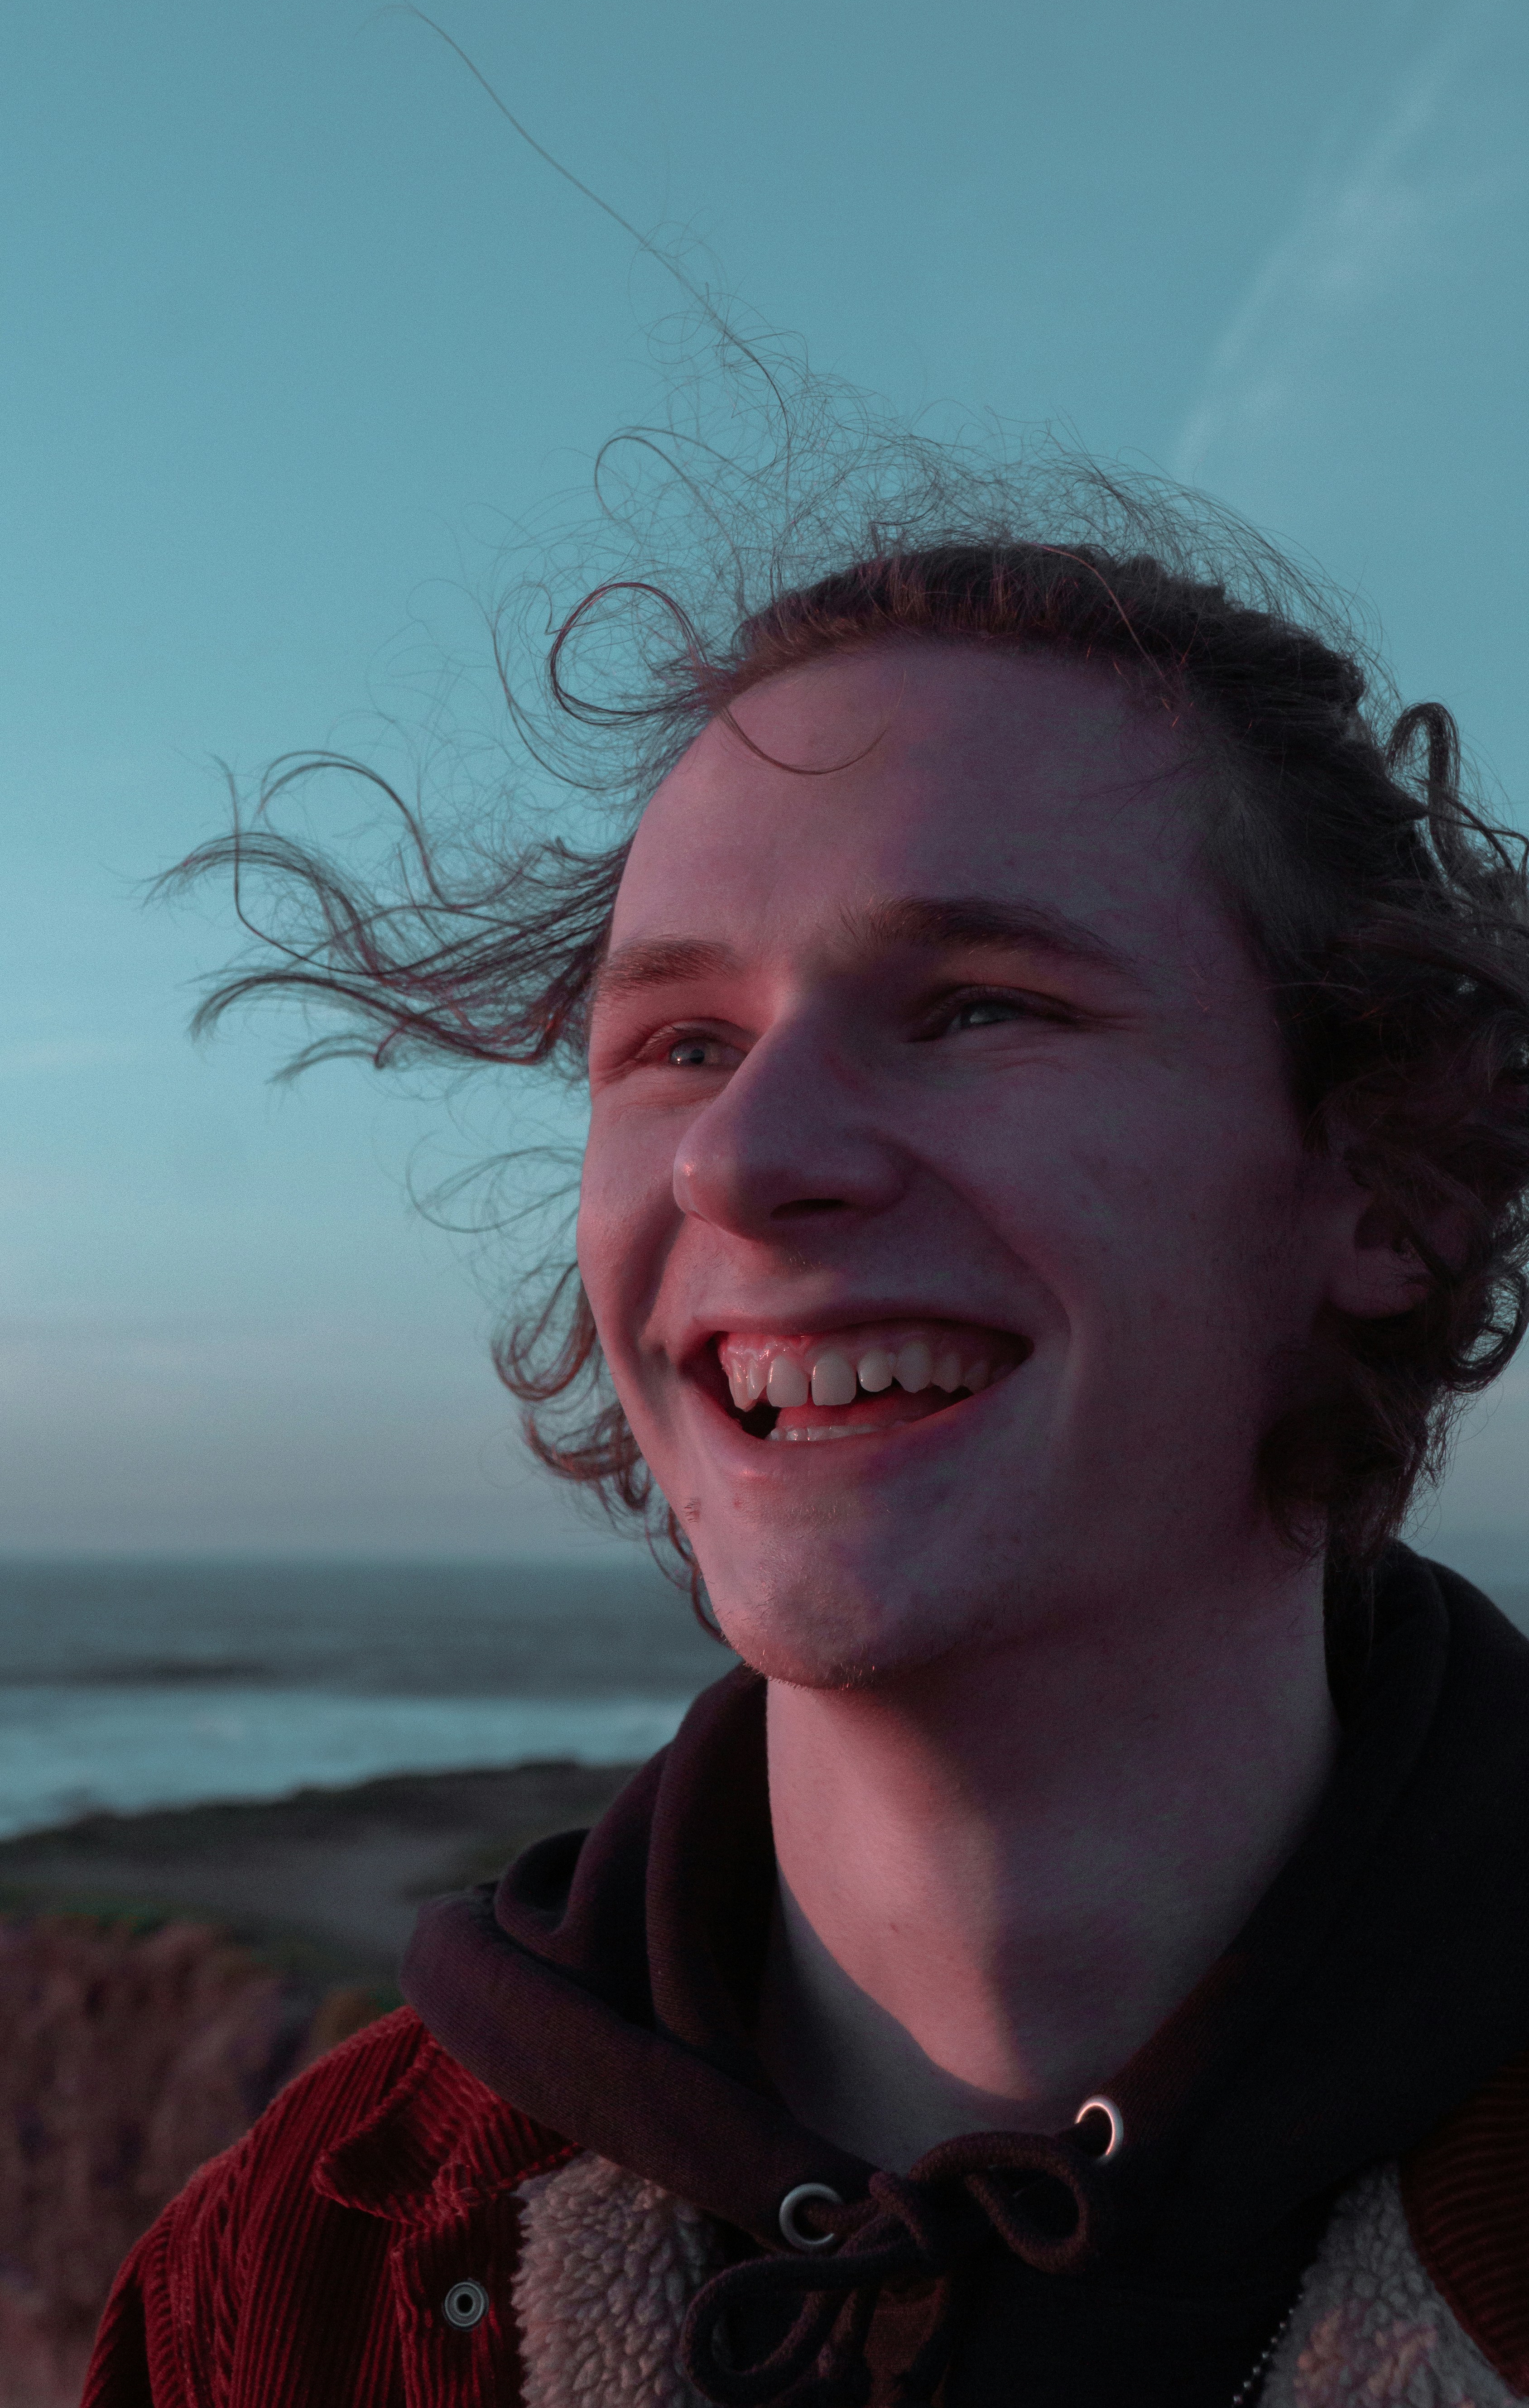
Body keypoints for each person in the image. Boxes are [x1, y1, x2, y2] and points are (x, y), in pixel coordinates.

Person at [85, 519, 1529, 2407]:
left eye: (980, 1006)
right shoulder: (312, 2262)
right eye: (678, 1042)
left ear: (1382, 1183)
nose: (739, 1162)